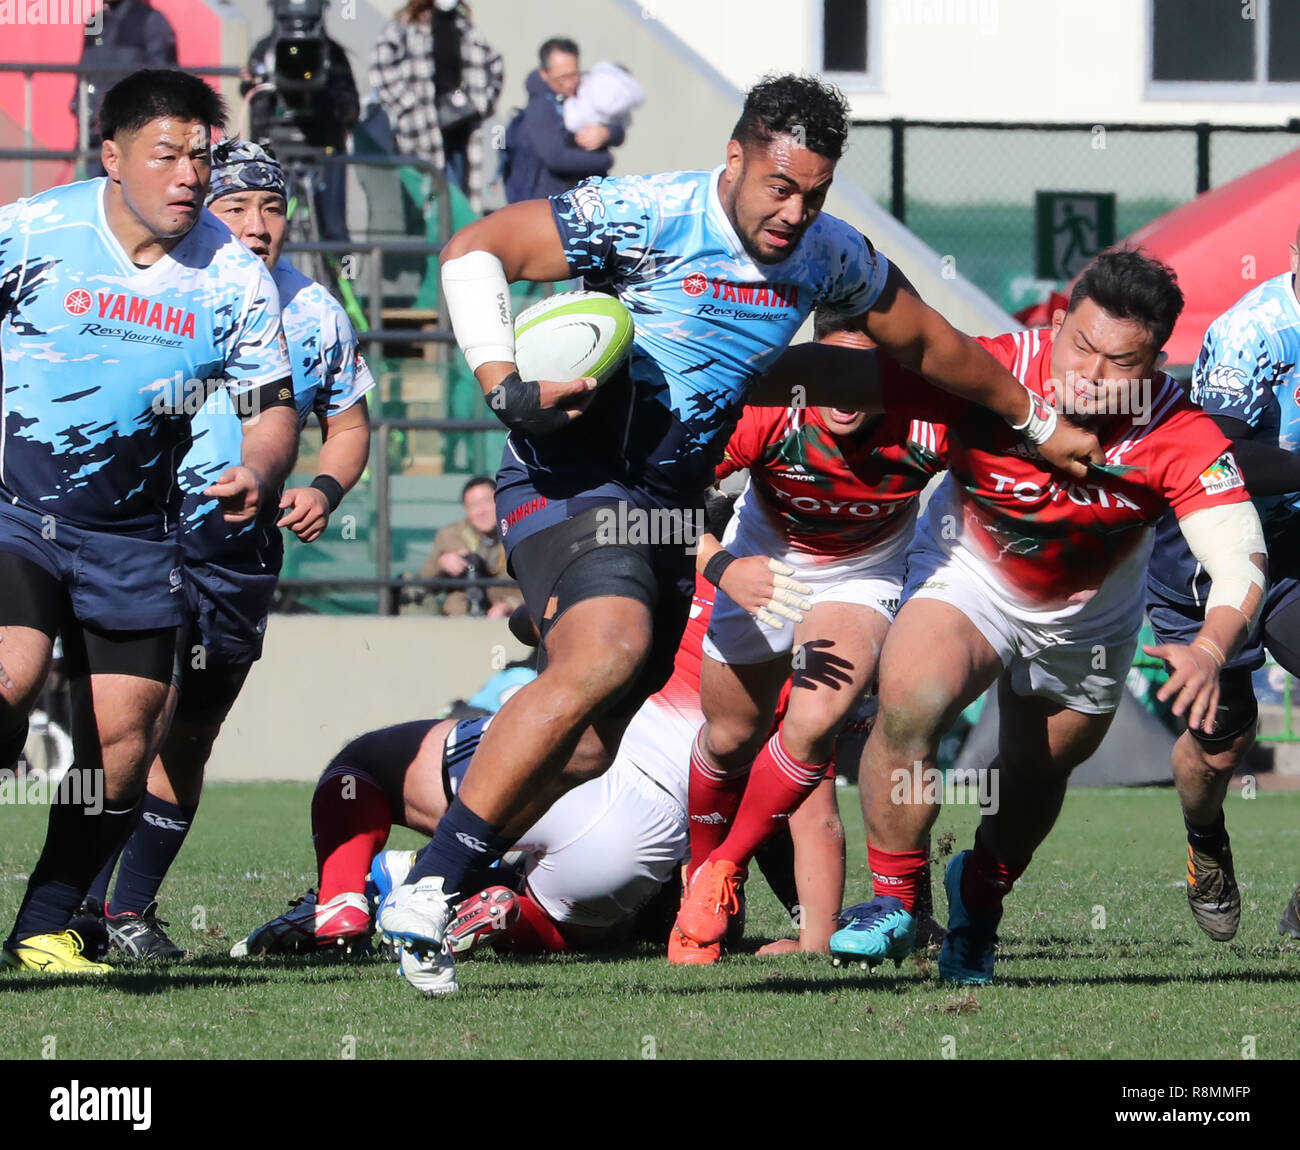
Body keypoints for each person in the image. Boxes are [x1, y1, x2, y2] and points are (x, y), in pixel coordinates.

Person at [377, 72, 1101, 994]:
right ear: (735, 157)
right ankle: (430, 890)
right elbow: (477, 248)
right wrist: (501, 379)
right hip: (572, 469)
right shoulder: (647, 213)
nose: (796, 211)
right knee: (611, 648)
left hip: (669, 503)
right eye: (779, 186)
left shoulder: (830, 257)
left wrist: (1037, 421)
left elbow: (927, 344)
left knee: (593, 742)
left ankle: (428, 864)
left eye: (815, 193)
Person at [828, 249, 1269, 985]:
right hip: (970, 575)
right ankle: (894, 903)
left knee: (1034, 778)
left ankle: (978, 900)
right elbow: (866, 368)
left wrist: (1212, 649)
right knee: (910, 702)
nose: (1087, 375)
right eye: (1080, 345)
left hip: (1087, 625)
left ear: (1156, 363)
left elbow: (1240, 558)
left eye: (1117, 362)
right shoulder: (993, 369)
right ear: (1059, 323)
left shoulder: (1181, 432)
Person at [0, 71, 299, 974]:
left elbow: (274, 408)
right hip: (15, 508)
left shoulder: (235, 277)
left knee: (127, 745)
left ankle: (45, 928)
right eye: (166, 155)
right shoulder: (28, 232)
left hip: (135, 533)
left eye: (200, 158)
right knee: (9, 681)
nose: (188, 176)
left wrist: (260, 465)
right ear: (112, 155)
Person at [81, 139, 375, 960]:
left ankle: (127, 909)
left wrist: (323, 487)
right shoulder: (150, 292)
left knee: (193, 734)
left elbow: (348, 425)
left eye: (272, 208)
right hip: (141, 534)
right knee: (137, 716)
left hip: (240, 552)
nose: (257, 225)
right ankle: (73, 908)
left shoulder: (313, 312)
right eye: (236, 207)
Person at [229, 577, 852, 963]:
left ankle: (345, 896)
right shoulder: (818, 646)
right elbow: (813, 819)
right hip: (637, 830)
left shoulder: (662, 563)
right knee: (588, 929)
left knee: (362, 766)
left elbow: (529, 618)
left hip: (551, 751)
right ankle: (503, 916)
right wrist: (815, 937)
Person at [670, 310, 949, 964]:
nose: (845, 392)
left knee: (814, 721)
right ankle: (700, 876)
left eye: (864, 375)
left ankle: (724, 870)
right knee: (731, 737)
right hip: (758, 566)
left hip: (861, 577)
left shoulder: (929, 420)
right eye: (830, 372)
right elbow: (661, 501)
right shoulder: (766, 409)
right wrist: (722, 567)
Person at [1144, 231, 1300, 943]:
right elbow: (1221, 455)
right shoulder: (1253, 334)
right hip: (1213, 536)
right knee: (1221, 745)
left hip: (1296, 540)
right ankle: (1205, 841)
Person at [368, 0, 503, 213]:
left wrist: (480, 103)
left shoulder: (464, 27)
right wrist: (408, 105)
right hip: (421, 129)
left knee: (456, 194)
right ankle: (430, 242)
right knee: (426, 192)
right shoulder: (404, 26)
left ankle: (452, 243)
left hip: (459, 127)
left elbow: (494, 63)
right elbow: (380, 68)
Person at [243, 6, 361, 243]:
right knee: (269, 225)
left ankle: (338, 276)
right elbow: (252, 96)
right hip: (276, 149)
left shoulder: (333, 55)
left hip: (325, 148)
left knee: (334, 227)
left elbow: (351, 108)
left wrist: (332, 96)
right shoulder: (266, 51)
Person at [503, 38, 622, 204]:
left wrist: (605, 133)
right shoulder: (540, 108)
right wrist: (605, 160)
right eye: (562, 77)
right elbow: (556, 158)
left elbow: (618, 128)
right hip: (550, 202)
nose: (570, 83)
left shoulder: (587, 92)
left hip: (588, 196)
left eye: (574, 75)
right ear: (545, 74)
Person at [72, 0, 178, 177]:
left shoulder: (151, 21)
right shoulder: (95, 22)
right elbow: (84, 72)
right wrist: (79, 108)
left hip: (134, 133)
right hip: (94, 134)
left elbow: (165, 83)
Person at [411, 476, 522, 618]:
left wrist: (510, 605)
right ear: (466, 509)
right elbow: (423, 581)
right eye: (473, 505)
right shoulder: (449, 535)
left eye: (486, 502)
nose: (481, 511)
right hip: (458, 619)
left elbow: (537, 587)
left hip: (507, 620)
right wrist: (442, 564)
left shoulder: (518, 535)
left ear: (500, 502)